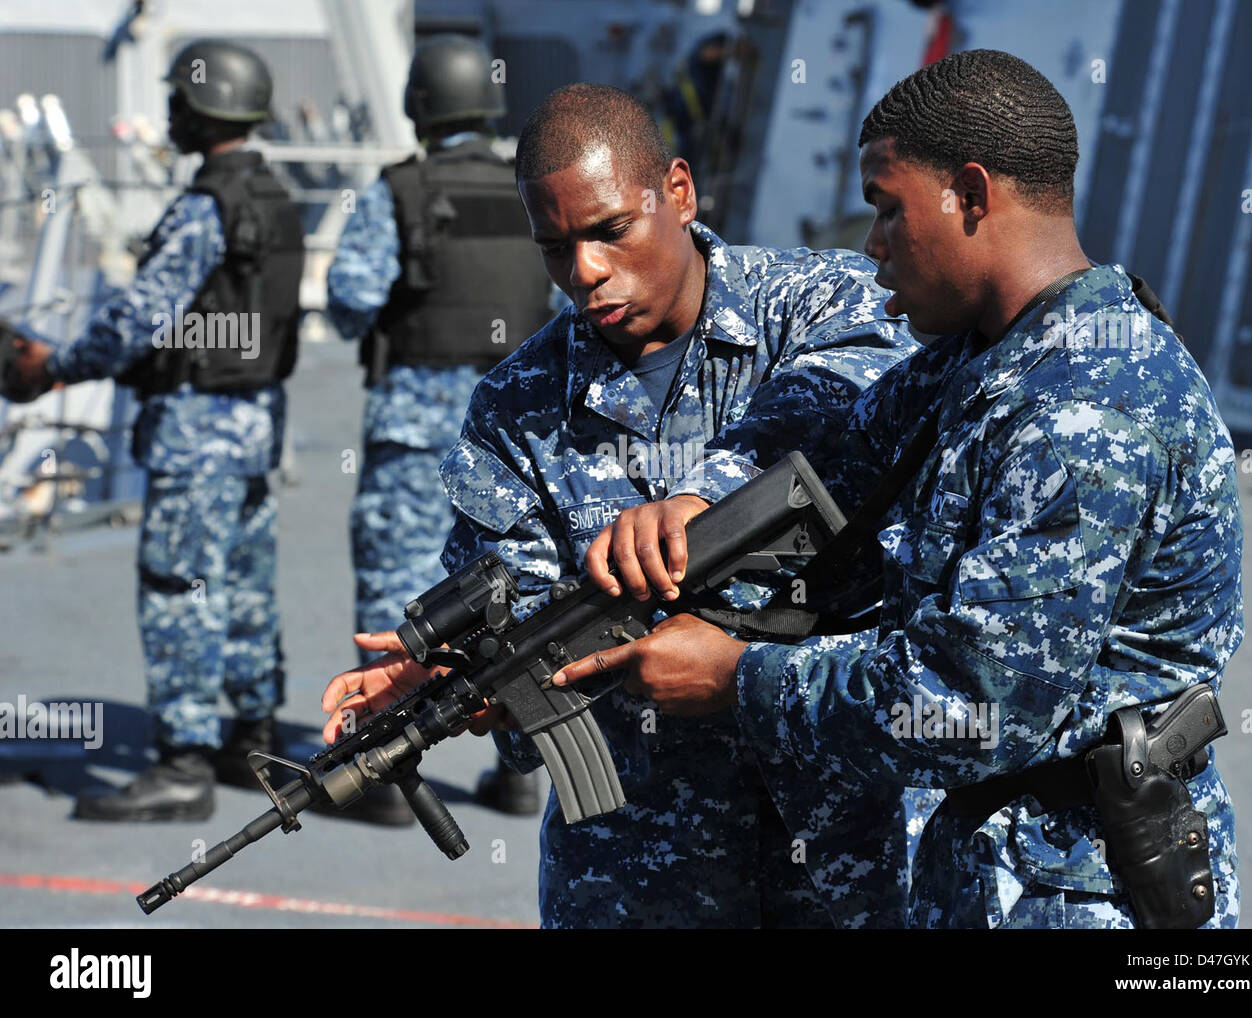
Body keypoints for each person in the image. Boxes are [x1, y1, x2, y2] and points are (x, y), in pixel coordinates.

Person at [553, 50, 1244, 929]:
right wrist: (671, 538)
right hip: (1000, 872)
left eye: (888, 209)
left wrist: (740, 680)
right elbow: (833, 481)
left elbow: (974, 708)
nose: (871, 244)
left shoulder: (1089, 405)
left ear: (971, 193)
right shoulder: (980, 360)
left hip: (1082, 887)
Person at [321, 83, 919, 928]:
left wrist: (701, 496)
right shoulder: (516, 406)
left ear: (677, 190)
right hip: (637, 879)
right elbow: (525, 661)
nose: (587, 273)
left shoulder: (819, 300)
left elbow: (853, 408)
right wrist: (470, 683)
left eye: (610, 231)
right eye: (555, 248)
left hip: (850, 856)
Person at [8, 41, 303, 820]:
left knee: (180, 586)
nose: (169, 114)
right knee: (242, 585)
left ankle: (182, 764)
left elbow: (141, 319)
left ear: (204, 113)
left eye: (178, 101)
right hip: (254, 425)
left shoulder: (206, 205)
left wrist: (57, 365)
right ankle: (254, 740)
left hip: (195, 431)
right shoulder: (273, 196)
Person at [326, 34, 553, 817]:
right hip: (516, 435)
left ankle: (384, 776)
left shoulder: (400, 190)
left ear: (418, 104)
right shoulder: (532, 190)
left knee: (400, 591)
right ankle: (519, 769)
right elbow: (566, 306)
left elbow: (352, 299)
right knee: (510, 592)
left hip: (416, 430)